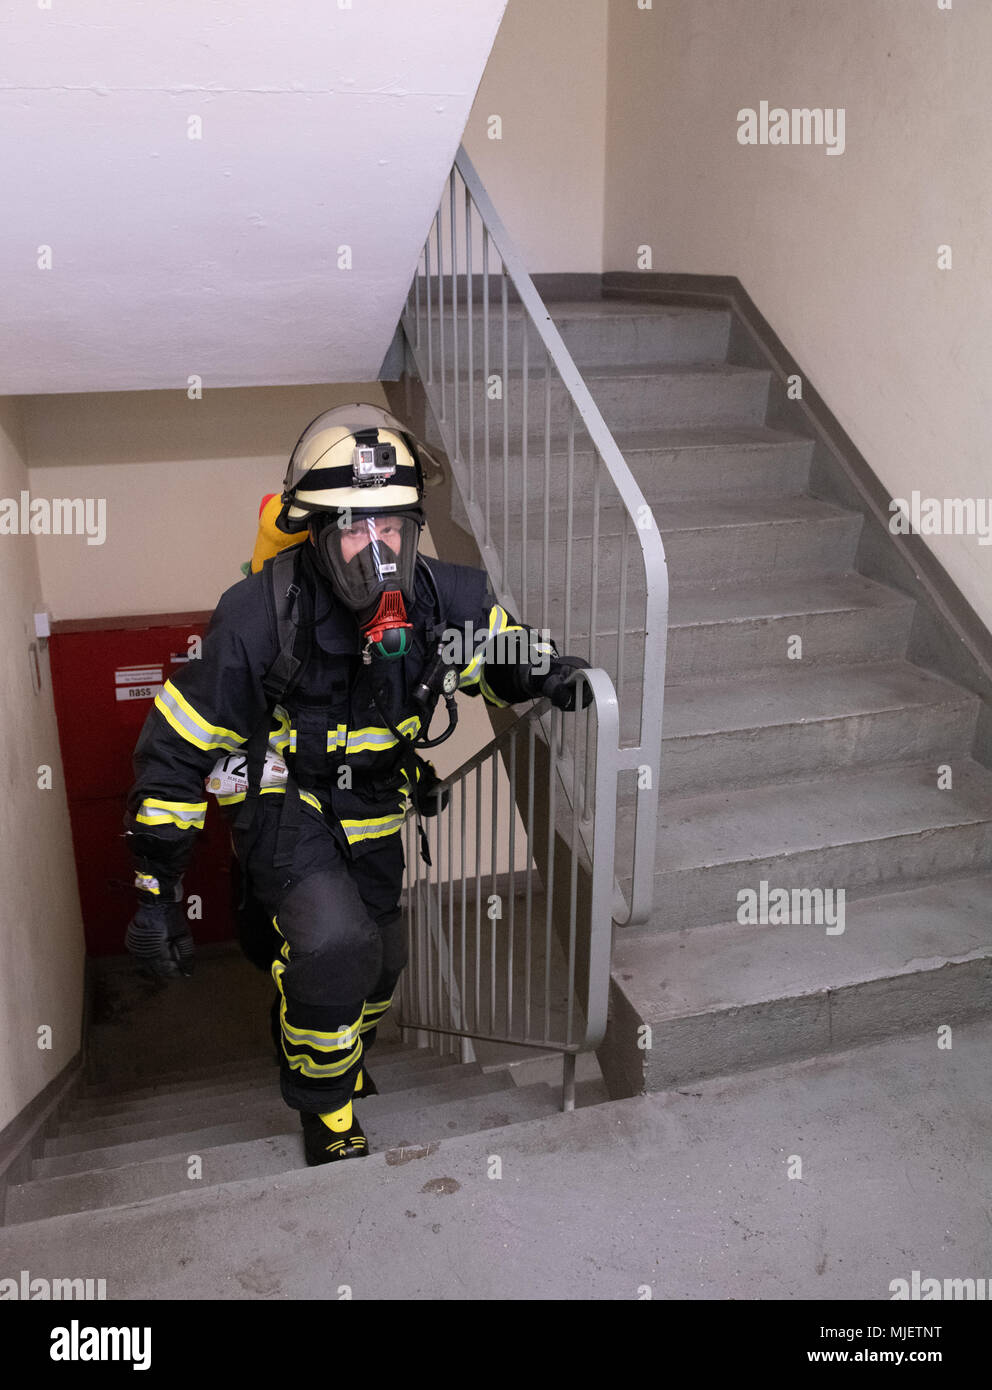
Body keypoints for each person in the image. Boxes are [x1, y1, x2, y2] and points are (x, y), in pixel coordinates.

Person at [122, 403, 590, 1166]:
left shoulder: (445, 599)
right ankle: (325, 1104)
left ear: (411, 527)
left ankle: (324, 1035)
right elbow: (177, 749)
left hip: (377, 801)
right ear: (314, 531)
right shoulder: (257, 615)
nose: (377, 552)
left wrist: (547, 667)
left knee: (381, 964)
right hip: (288, 800)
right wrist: (156, 890)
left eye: (393, 529)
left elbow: (498, 652)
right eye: (352, 529)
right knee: (336, 945)